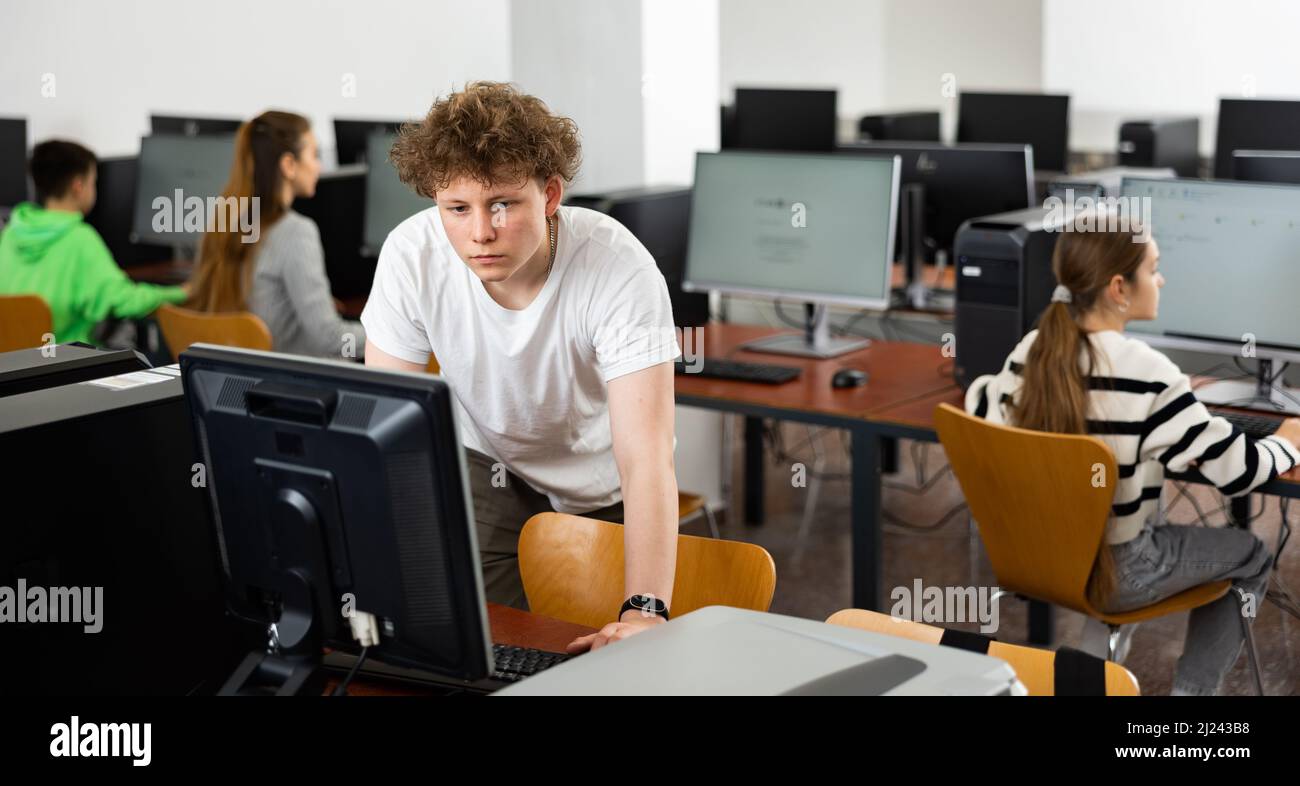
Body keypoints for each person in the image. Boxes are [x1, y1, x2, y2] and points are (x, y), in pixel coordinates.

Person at [362, 82, 680, 652]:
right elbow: (392, 436)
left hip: (599, 478)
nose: (480, 232)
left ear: (551, 195)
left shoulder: (618, 268)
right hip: (490, 466)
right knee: (495, 645)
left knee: (601, 651)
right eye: (456, 209)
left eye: (502, 204)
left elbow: (647, 457)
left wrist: (645, 610)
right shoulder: (410, 255)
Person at [967, 218, 1300, 694]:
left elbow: (980, 404)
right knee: (1250, 553)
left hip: (1038, 559)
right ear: (1119, 287)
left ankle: (1088, 676)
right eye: (1154, 269)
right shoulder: (1147, 372)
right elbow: (1237, 470)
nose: (1161, 280)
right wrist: (1286, 441)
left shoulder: (1031, 350)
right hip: (1118, 573)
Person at [189, 110, 363, 359]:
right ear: (288, 165)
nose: (319, 166)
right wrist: (394, 334)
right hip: (296, 387)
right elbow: (331, 340)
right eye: (314, 155)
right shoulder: (296, 232)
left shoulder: (223, 221)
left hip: (238, 383)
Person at [0, 139, 187, 344]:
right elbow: (124, 301)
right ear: (78, 187)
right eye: (93, 182)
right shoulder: (80, 239)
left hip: (11, 365)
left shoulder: (11, 233)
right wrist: (182, 292)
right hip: (66, 364)